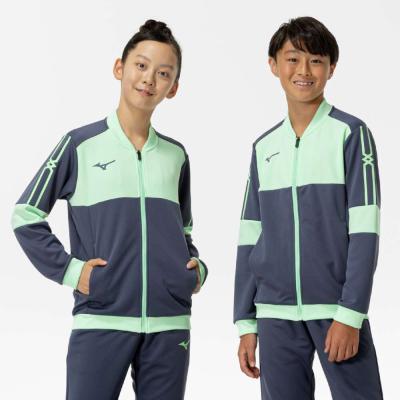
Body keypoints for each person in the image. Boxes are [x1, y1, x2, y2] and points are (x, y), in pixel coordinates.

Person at [11, 19, 207, 400]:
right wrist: (73, 272)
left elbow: (182, 230)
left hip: (169, 324)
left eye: (163, 73)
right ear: (120, 68)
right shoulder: (80, 145)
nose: (149, 79)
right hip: (101, 318)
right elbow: (25, 215)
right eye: (141, 65)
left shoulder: (176, 155)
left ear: (173, 88)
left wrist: (194, 270)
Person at [234, 16, 383, 399]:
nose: (304, 71)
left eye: (316, 60)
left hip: (335, 309)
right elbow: (250, 235)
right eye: (293, 59)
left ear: (331, 68)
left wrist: (350, 314)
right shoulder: (264, 147)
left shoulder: (351, 134)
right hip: (274, 313)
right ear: (273, 65)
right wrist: (246, 322)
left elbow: (365, 230)